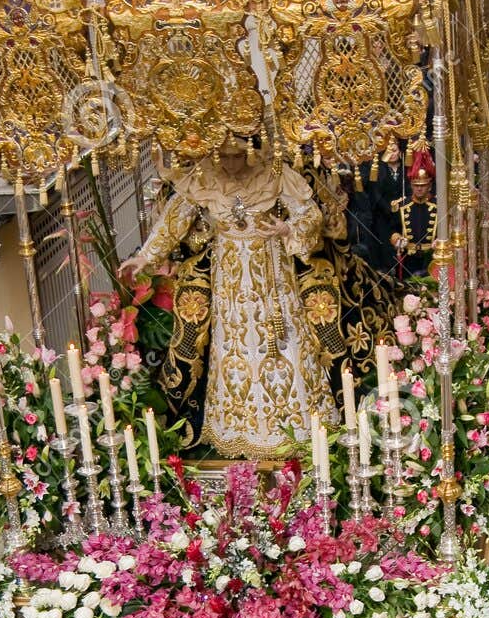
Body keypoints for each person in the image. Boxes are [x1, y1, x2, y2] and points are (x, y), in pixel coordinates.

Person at [119, 144, 336, 458]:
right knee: (234, 343)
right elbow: (174, 219)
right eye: (226, 157)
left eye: (239, 156)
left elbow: (309, 214)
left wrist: (286, 228)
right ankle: (238, 427)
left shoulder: (274, 172)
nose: (232, 165)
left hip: (272, 277)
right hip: (230, 281)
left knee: (282, 341)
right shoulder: (205, 176)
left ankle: (295, 426)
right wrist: (145, 256)